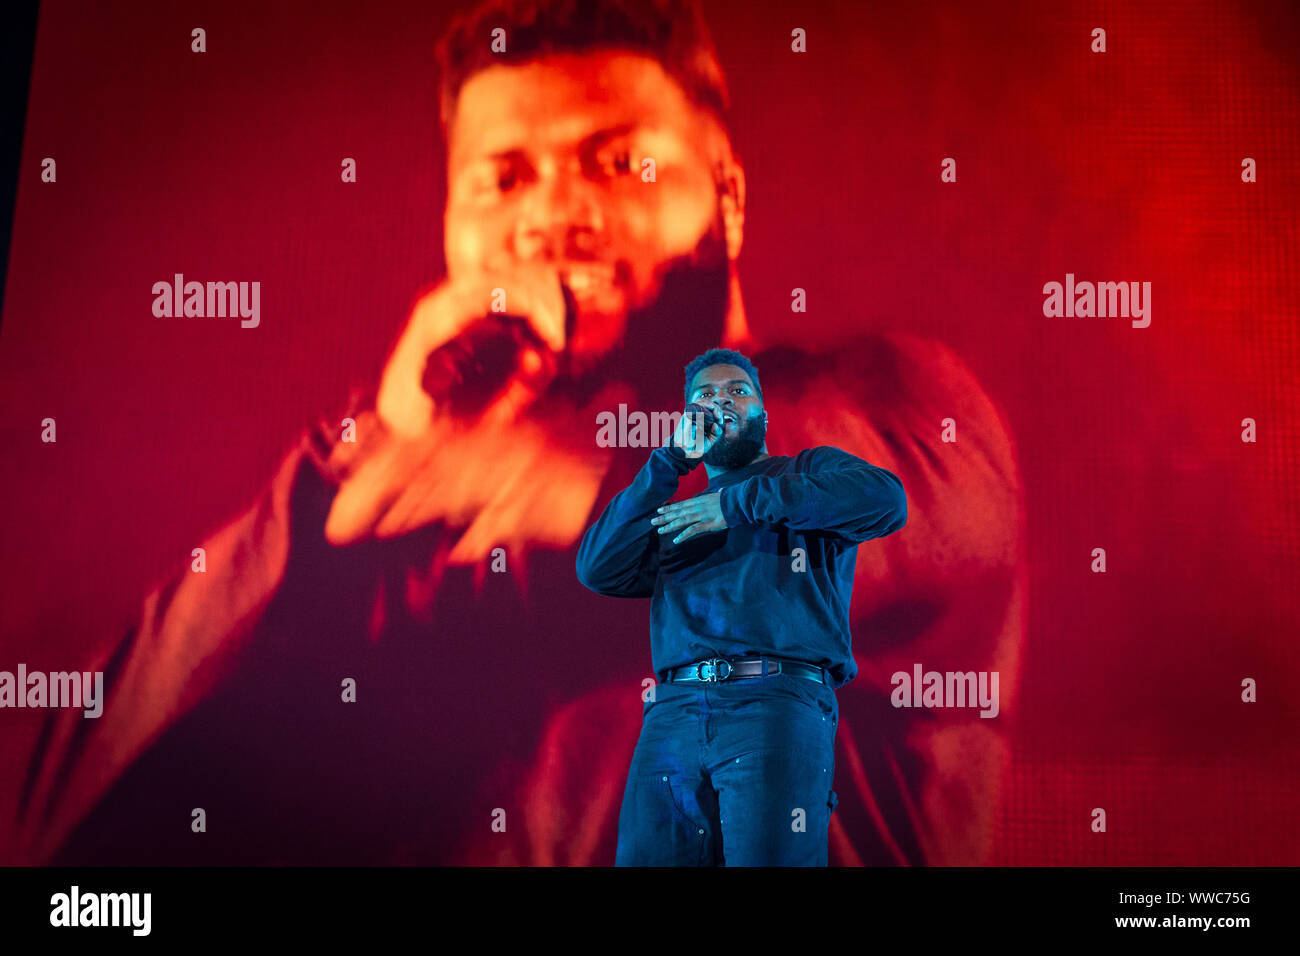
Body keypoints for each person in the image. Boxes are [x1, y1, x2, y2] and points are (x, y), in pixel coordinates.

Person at [10, 0, 1023, 867]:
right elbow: (62, 828)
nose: (552, 214)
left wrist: (584, 480)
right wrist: (362, 450)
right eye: (502, 176)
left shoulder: (894, 403)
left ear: (729, 199)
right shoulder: (409, 516)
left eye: (617, 161)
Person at [577, 349, 907, 865]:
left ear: (763, 416)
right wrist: (668, 463)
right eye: (704, 397)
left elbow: (887, 501)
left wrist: (735, 505)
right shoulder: (679, 514)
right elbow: (598, 568)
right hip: (674, 714)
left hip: (774, 703)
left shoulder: (806, 473)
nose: (720, 401)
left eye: (737, 391)